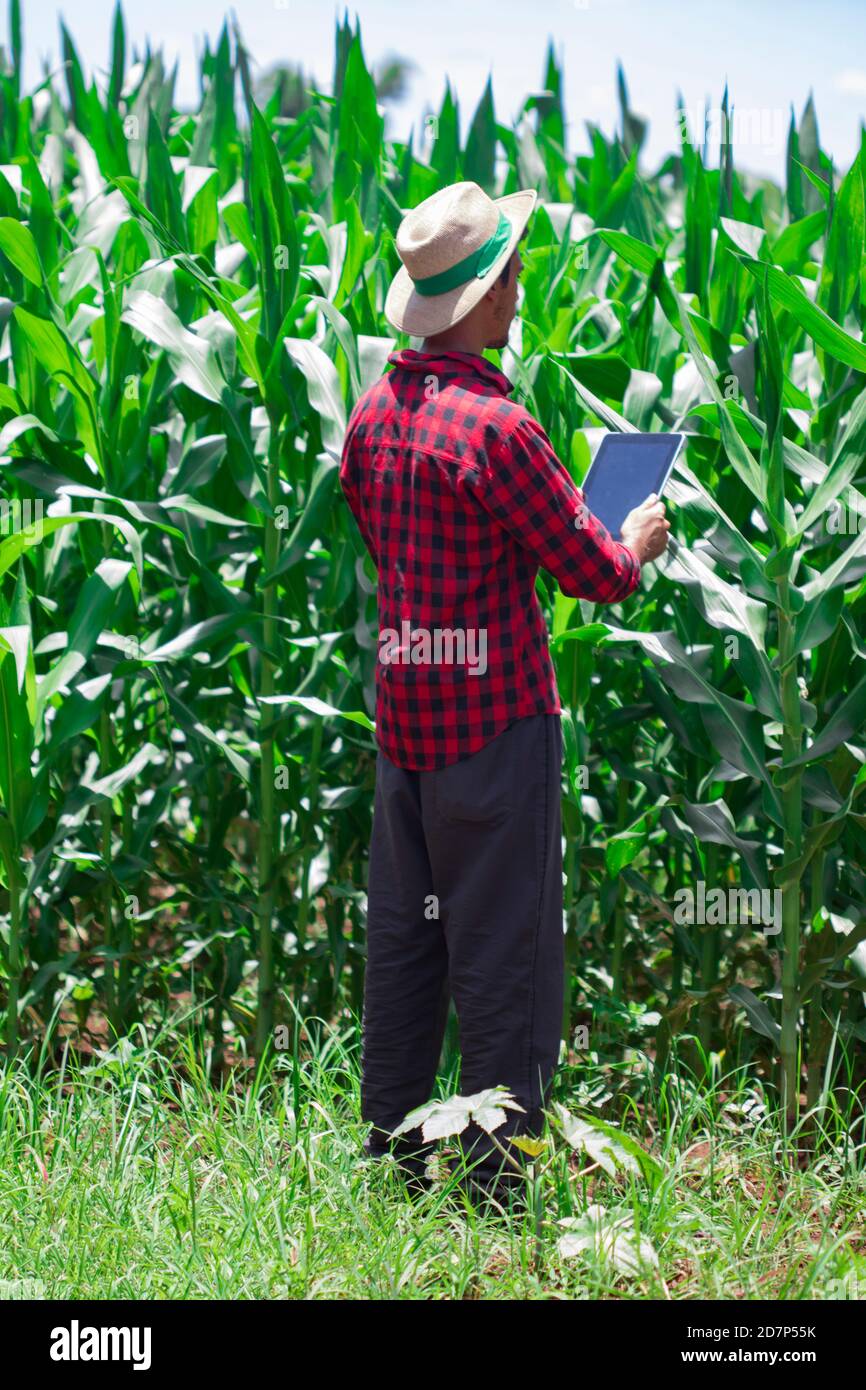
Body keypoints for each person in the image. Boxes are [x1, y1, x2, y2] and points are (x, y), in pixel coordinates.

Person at [339, 180, 670, 1204]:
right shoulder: (499, 430)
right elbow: (592, 572)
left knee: (405, 943)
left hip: (405, 734)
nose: (520, 293)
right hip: (495, 731)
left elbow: (395, 546)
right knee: (501, 955)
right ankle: (493, 1186)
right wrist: (637, 538)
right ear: (481, 302)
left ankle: (393, 1162)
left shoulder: (370, 418)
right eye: (512, 276)